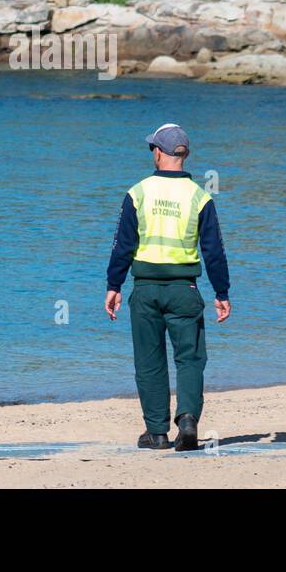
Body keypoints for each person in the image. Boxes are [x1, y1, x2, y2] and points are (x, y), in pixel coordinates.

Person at [105, 123, 231, 451]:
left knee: (149, 360)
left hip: (145, 288)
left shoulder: (138, 192)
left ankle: (157, 432)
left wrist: (113, 284)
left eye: (152, 149)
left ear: (159, 153)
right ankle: (187, 420)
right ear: (183, 155)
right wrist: (222, 292)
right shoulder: (200, 197)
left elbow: (122, 244)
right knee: (190, 358)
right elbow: (214, 250)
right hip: (184, 290)